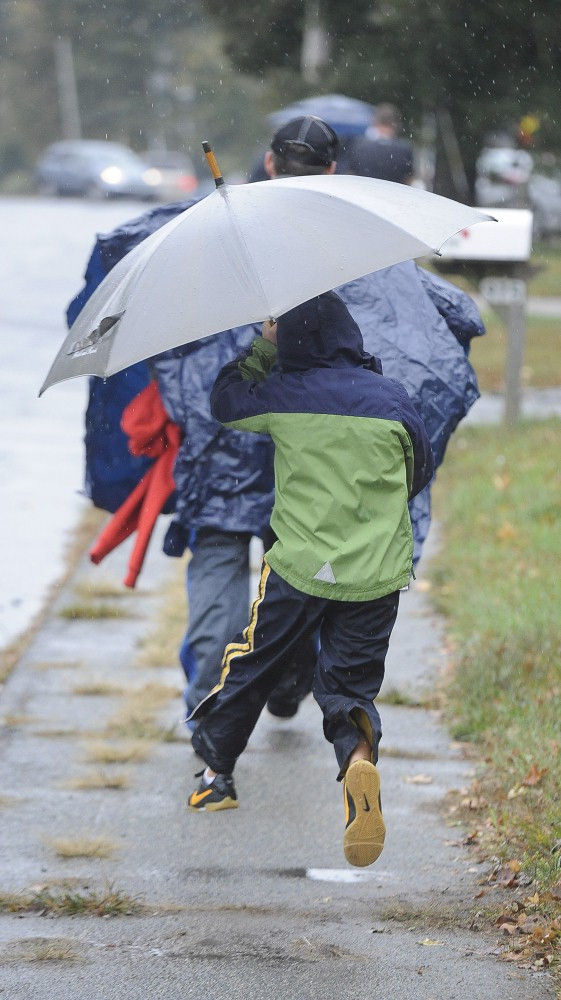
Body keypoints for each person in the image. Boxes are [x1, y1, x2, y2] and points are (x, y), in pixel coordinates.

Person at [70, 115, 483, 724]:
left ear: (268, 162)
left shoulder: (198, 238)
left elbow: (121, 273)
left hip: (252, 466)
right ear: (334, 170)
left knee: (252, 618)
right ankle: (224, 724)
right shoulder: (354, 243)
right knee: (280, 603)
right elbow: (460, 319)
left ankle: (244, 703)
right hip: (294, 475)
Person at [187, 293, 434, 871]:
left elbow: (225, 403)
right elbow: (418, 470)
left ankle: (217, 775)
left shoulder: (284, 394)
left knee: (254, 663)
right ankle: (357, 762)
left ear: (295, 340)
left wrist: (263, 348)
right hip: (375, 573)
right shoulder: (392, 400)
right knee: (349, 686)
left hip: (298, 570)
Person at [344, 103, 414, 184]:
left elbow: (350, 175)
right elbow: (408, 179)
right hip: (392, 191)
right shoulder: (404, 149)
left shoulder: (358, 145)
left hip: (363, 190)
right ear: (395, 124)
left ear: (375, 121)